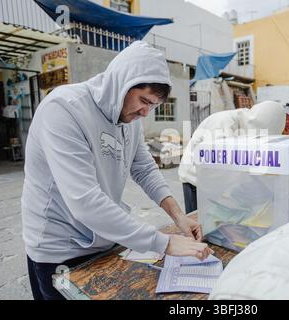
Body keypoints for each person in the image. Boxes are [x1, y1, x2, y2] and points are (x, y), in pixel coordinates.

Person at [21, 41, 213, 300]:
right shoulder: (64, 109)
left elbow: (144, 167)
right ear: (122, 82)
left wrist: (179, 217)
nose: (145, 112)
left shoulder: (128, 118)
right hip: (59, 250)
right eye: (144, 100)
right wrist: (164, 243)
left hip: (106, 238)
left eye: (152, 106)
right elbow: (84, 200)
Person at [178, 101, 287, 214]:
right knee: (199, 222)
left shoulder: (246, 124)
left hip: (217, 180)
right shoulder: (222, 125)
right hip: (195, 180)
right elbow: (217, 167)